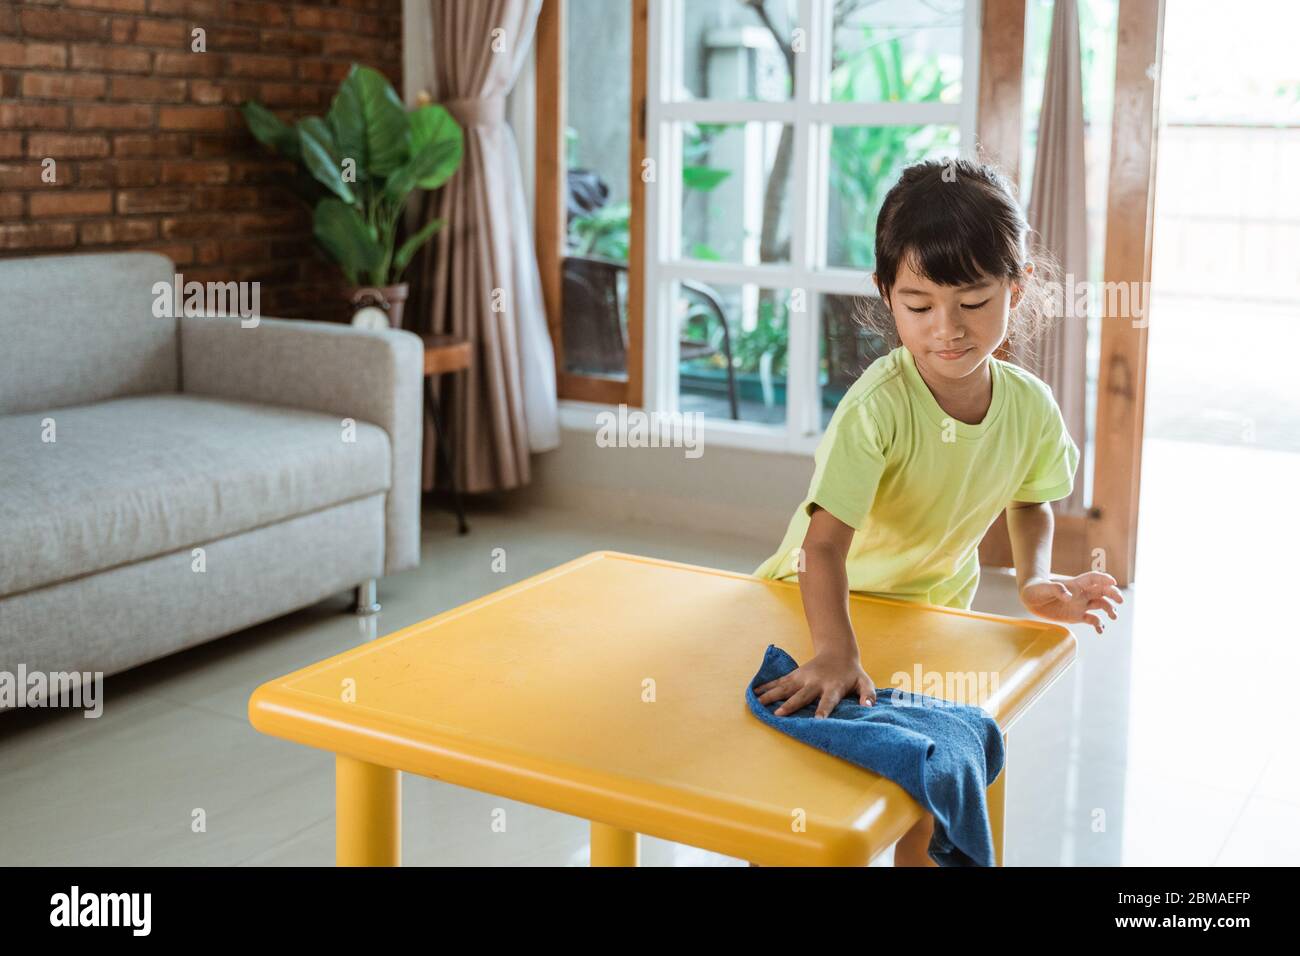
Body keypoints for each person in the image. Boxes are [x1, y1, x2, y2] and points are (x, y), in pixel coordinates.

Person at [752, 158, 1123, 867]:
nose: (947, 330)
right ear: (886, 294)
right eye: (919, 306)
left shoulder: (1029, 408)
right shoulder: (878, 406)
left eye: (974, 302)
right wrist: (835, 649)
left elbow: (1030, 497)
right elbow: (821, 549)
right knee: (798, 808)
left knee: (923, 798)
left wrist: (1034, 578)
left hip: (925, 618)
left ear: (1017, 288)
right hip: (815, 608)